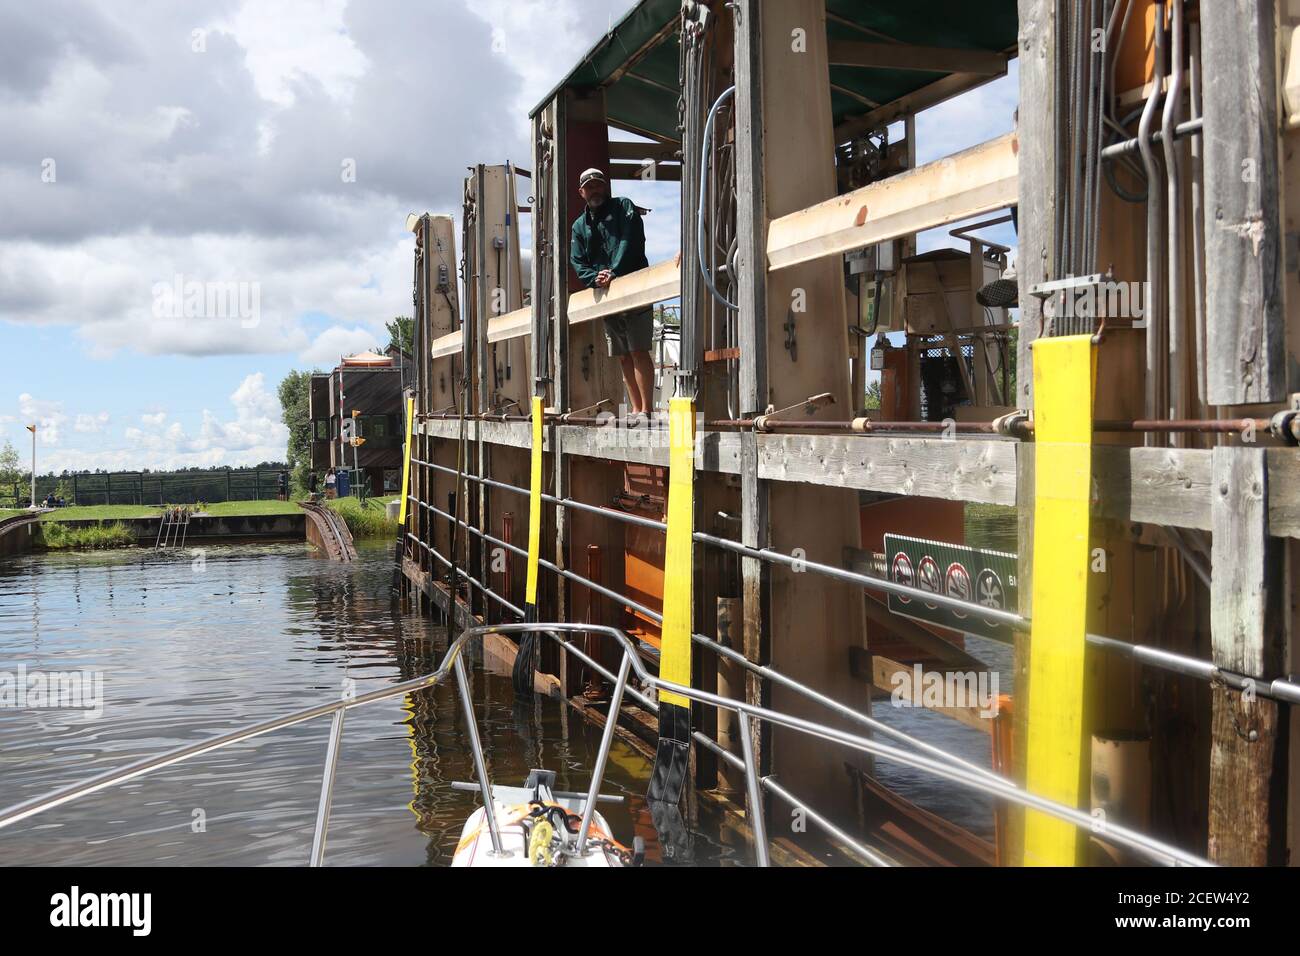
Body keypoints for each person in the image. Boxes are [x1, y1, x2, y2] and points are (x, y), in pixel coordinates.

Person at [569, 168, 656, 418]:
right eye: (590, 187)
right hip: (607, 297)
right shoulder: (579, 226)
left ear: (605, 187)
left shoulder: (624, 207)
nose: (595, 190)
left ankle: (646, 411)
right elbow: (578, 261)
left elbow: (632, 241)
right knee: (622, 355)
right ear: (581, 192)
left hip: (632, 288)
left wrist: (614, 272)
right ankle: (636, 409)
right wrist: (594, 279)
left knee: (638, 349)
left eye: (598, 185)